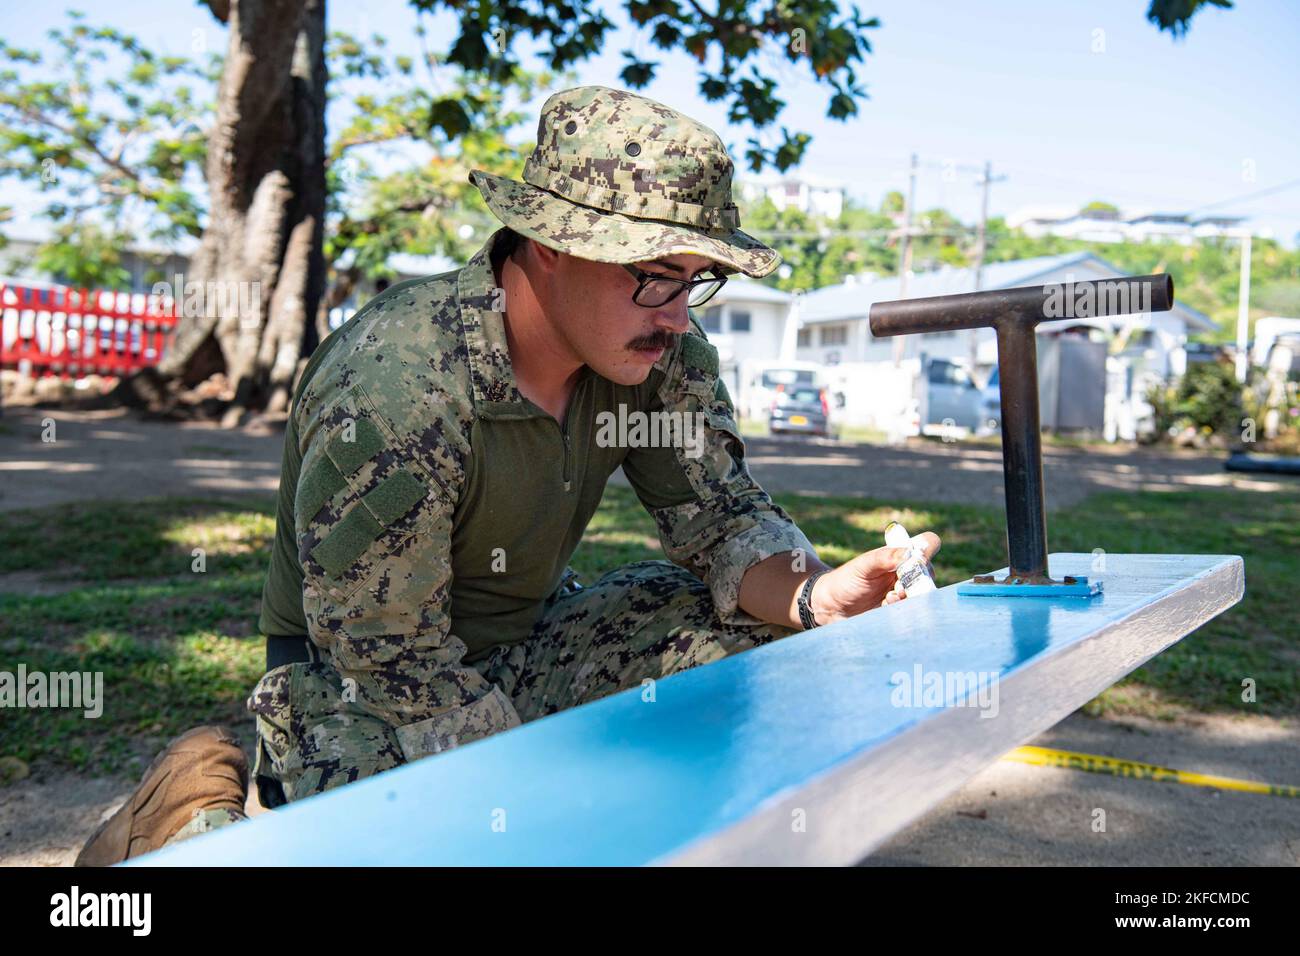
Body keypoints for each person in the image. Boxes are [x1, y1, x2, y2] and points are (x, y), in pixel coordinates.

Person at [76, 84, 939, 865]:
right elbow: (388, 651)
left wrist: (815, 598)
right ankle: (179, 829)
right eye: (654, 278)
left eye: (696, 281)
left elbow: (719, 519)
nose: (678, 315)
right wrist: (545, 795)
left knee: (753, 652)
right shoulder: (399, 386)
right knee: (467, 844)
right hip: (360, 682)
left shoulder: (658, 353)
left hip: (526, 643)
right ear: (550, 246)